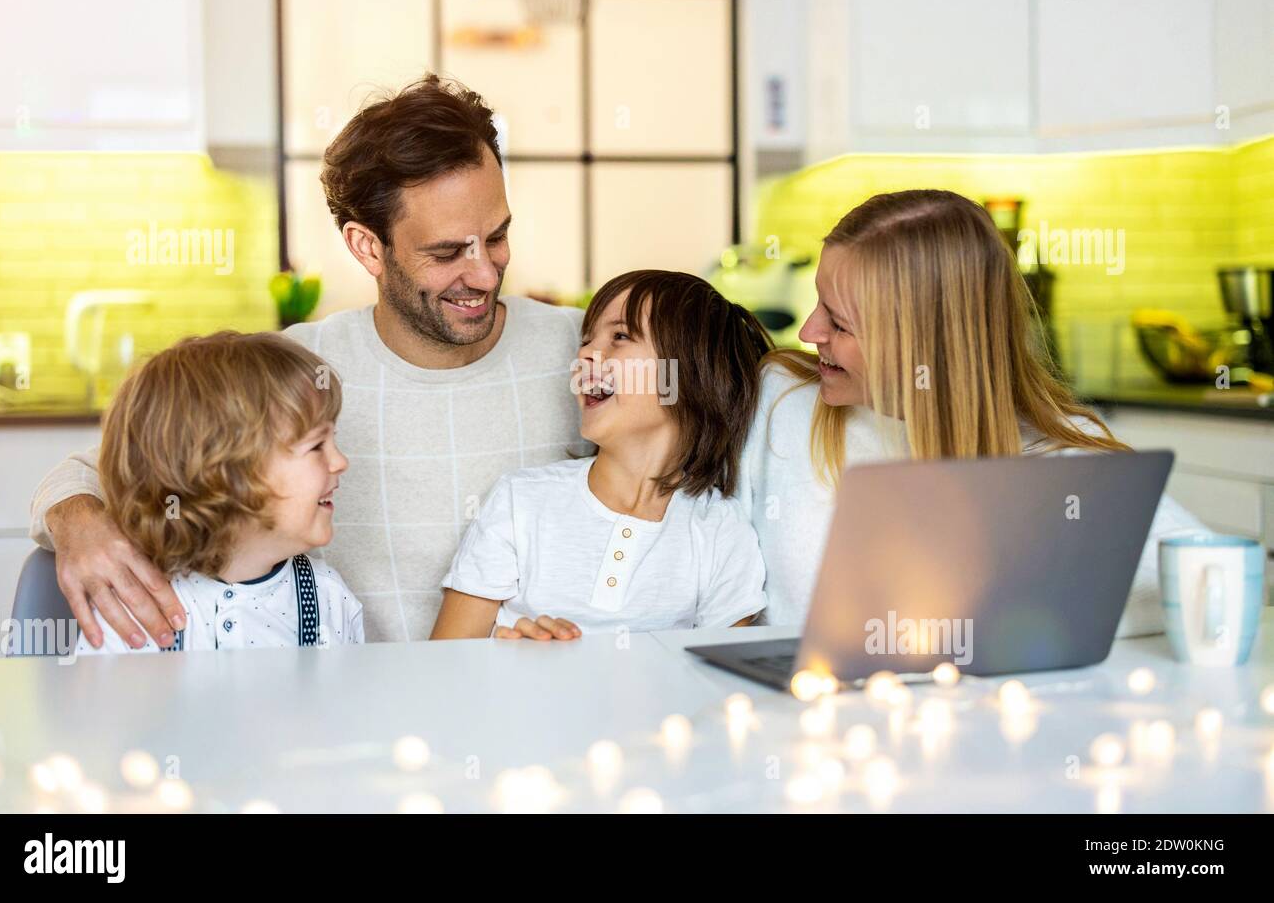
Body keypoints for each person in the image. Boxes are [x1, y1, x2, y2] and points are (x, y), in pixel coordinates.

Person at [30, 74, 590, 647]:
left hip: (527, 701)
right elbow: (94, 470)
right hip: (345, 711)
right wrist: (79, 523)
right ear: (366, 246)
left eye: (495, 237)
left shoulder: (589, 353)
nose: (485, 274)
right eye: (446, 252)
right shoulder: (292, 375)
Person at [736, 189, 1202, 635]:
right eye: (819, 303)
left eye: (838, 323)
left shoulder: (1059, 460)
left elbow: (1202, 580)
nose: (807, 330)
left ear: (924, 342)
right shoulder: (778, 402)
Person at [430, 271, 772, 640]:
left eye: (620, 336)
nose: (585, 354)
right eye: (587, 340)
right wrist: (508, 659)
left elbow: (722, 682)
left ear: (688, 375)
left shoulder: (720, 530)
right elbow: (445, 663)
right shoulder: (522, 500)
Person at [76, 331, 361, 653]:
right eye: (317, 446)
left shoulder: (330, 599)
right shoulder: (132, 612)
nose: (341, 461)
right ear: (227, 475)